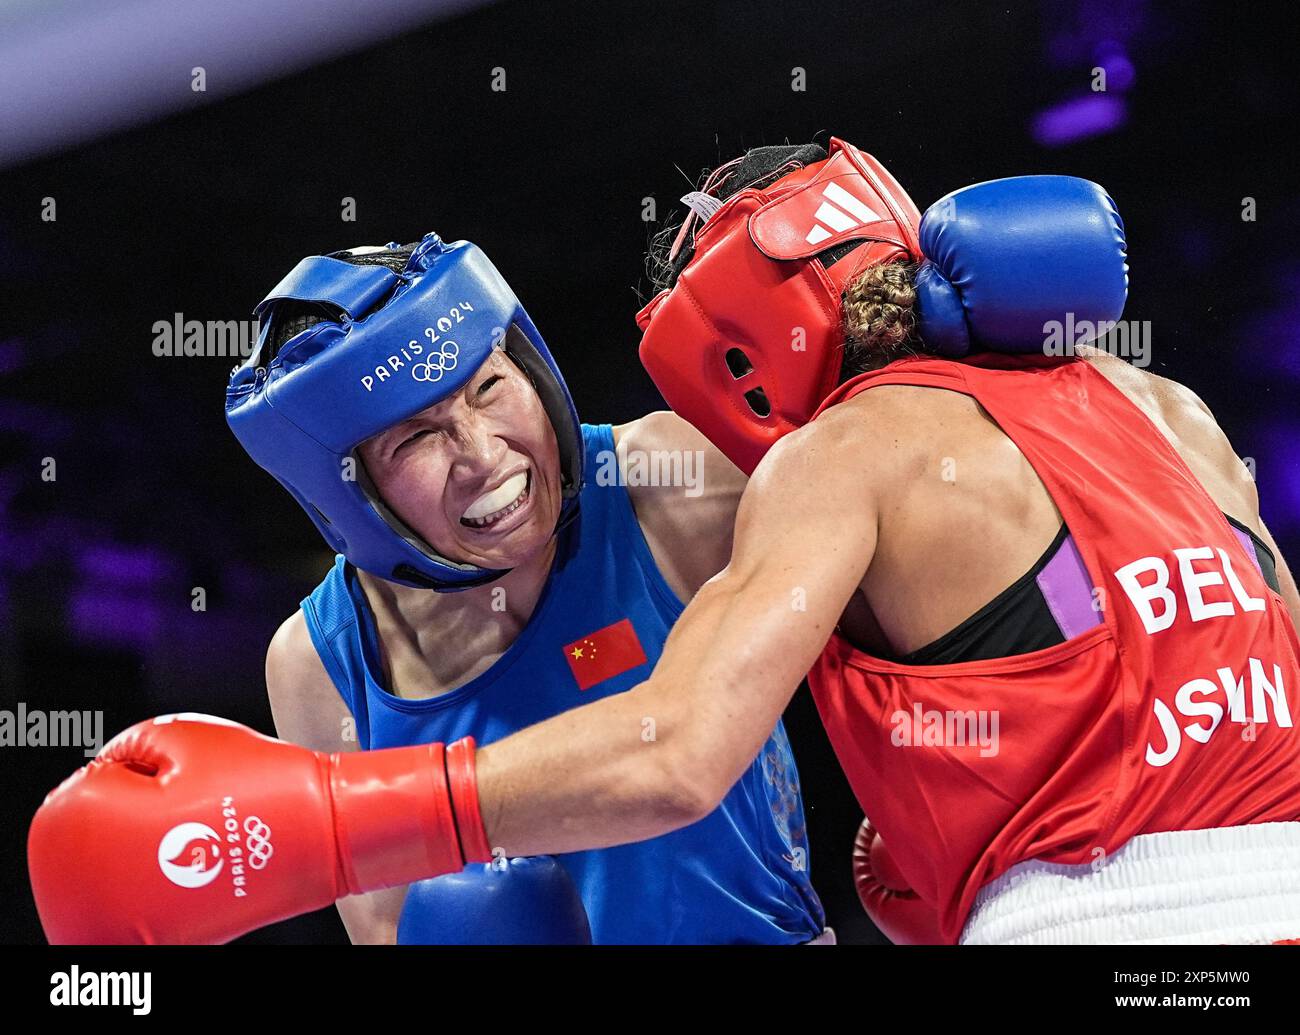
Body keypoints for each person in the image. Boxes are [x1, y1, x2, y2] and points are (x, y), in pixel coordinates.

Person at [31, 139, 1300, 946]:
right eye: (419, 435)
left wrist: (324, 823)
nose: (483, 454)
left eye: (490, 388)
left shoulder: (729, 477)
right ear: (345, 491)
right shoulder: (1153, 405)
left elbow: (682, 754)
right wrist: (936, 835)